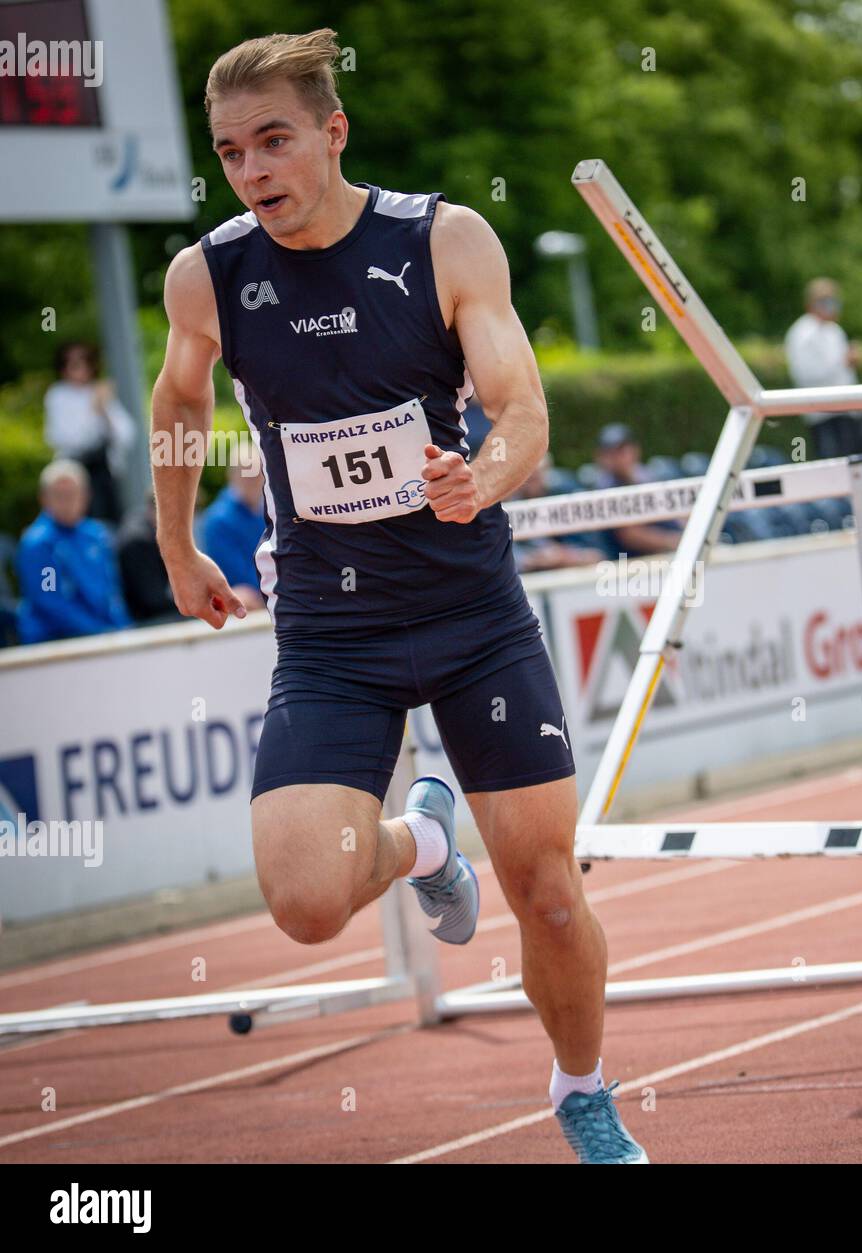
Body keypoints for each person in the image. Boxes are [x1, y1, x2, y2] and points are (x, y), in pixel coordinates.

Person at [150, 29, 645, 1163]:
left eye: (274, 141)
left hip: (472, 615)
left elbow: (522, 408)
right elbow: (179, 409)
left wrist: (486, 473)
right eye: (230, 153)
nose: (254, 171)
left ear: (333, 131)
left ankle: (582, 1088)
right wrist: (178, 548)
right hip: (331, 631)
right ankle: (424, 841)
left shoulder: (443, 239)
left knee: (550, 891)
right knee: (306, 900)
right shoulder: (209, 275)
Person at [16, 460, 131, 644]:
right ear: (44, 498)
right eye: (59, 495)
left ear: (85, 496)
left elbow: (111, 592)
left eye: (72, 494)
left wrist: (123, 629)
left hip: (102, 636)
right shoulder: (38, 544)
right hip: (55, 642)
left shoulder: (96, 536)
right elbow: (50, 601)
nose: (67, 502)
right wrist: (99, 632)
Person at [43, 342, 136, 525]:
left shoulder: (98, 392)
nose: (79, 367)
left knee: (110, 522)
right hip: (76, 472)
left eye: (84, 361)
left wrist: (104, 411)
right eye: (72, 363)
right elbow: (63, 437)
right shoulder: (57, 395)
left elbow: (126, 434)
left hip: (103, 473)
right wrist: (94, 410)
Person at [783, 278, 862, 458]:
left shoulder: (835, 331)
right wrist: (842, 361)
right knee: (832, 464)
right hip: (822, 414)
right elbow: (805, 375)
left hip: (847, 410)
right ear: (810, 304)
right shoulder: (801, 333)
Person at [591, 422, 683, 558]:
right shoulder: (606, 487)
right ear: (600, 457)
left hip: (659, 556)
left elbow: (675, 514)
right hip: (626, 565)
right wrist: (675, 541)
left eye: (622, 450)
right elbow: (630, 536)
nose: (619, 457)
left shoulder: (645, 476)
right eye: (611, 452)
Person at [509, 454, 604, 573]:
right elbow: (507, 560)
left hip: (573, 575)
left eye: (536, 476)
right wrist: (533, 559)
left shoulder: (564, 496)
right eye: (526, 477)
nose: (530, 483)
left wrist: (566, 556)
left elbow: (595, 554)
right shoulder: (508, 505)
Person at [199, 448, 268, 610]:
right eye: (246, 474)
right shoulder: (217, 520)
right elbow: (235, 574)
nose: (253, 479)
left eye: (258, 473)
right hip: (244, 608)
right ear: (231, 475)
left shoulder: (269, 511)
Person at [116, 494, 185, 624]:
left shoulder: (155, 532)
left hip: (158, 612)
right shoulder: (138, 541)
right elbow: (153, 600)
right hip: (145, 620)